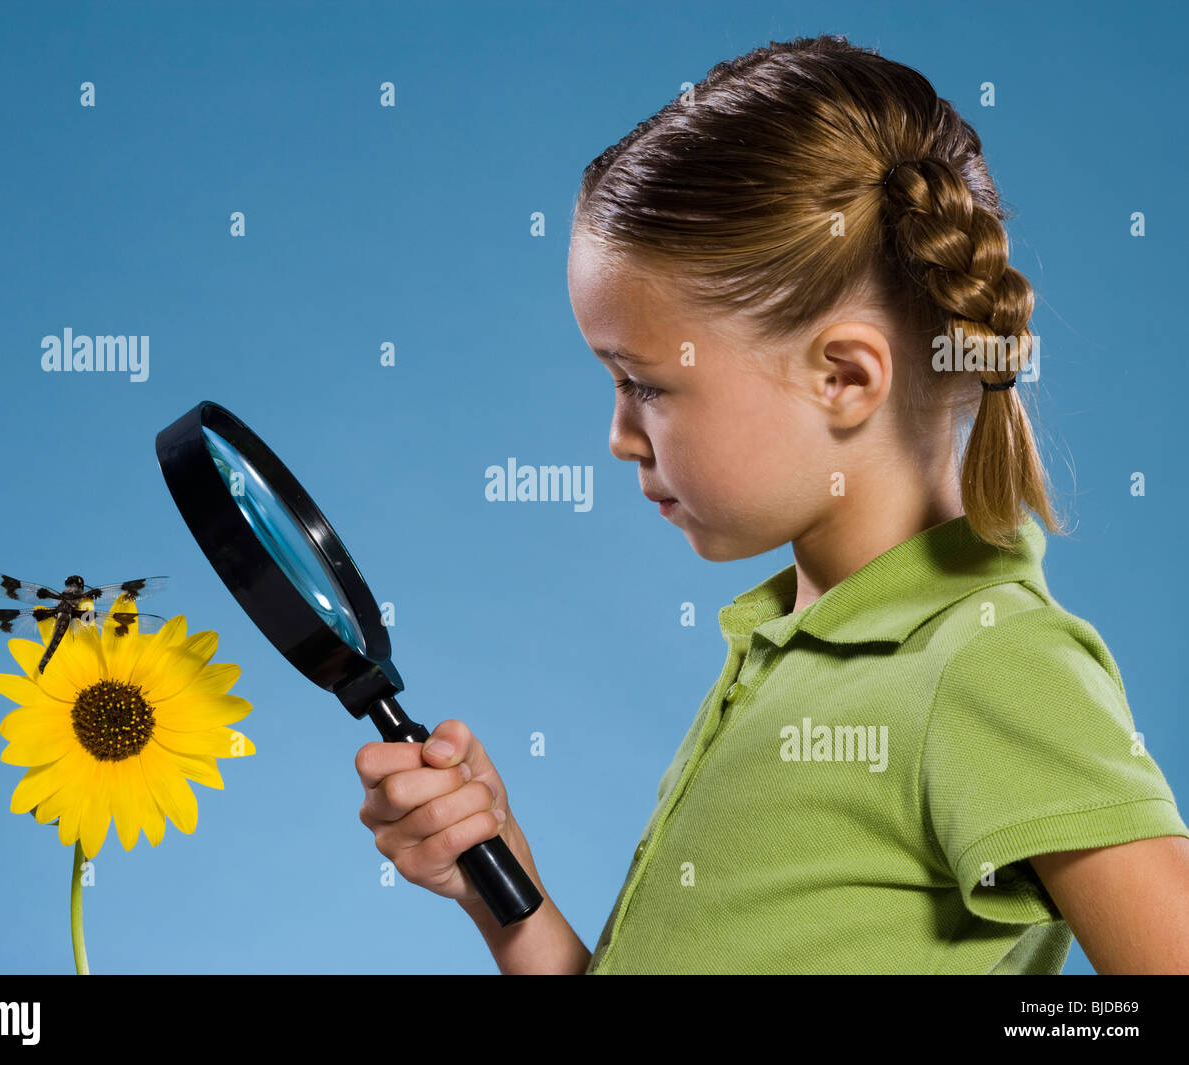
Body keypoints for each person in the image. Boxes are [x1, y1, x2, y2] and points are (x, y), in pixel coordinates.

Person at [354, 34, 1189, 974]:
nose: (619, 435)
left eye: (647, 384)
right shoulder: (789, 649)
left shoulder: (990, 661)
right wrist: (506, 898)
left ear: (843, 377)